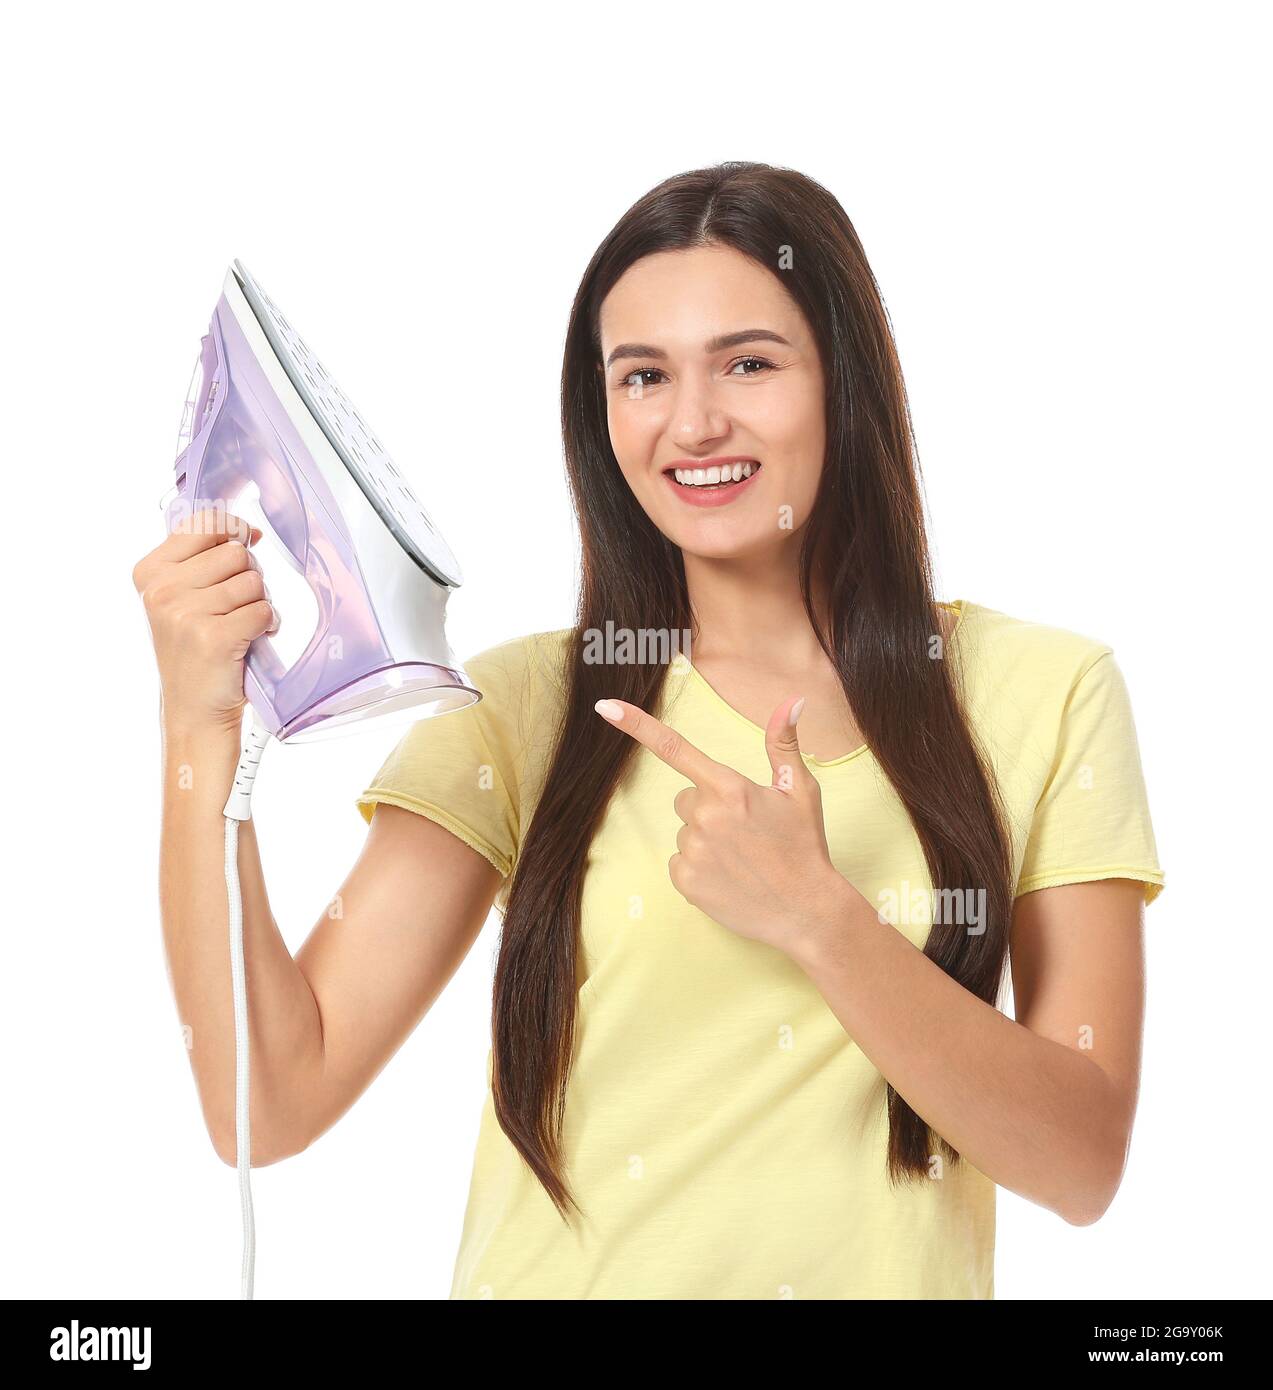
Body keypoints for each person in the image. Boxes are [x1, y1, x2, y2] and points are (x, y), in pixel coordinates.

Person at [132, 161, 1164, 1300]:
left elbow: (1079, 1162)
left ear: (846, 382)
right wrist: (198, 723)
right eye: (642, 376)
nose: (692, 421)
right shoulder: (524, 709)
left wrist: (824, 922)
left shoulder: (1045, 692)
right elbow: (267, 1097)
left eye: (750, 363)